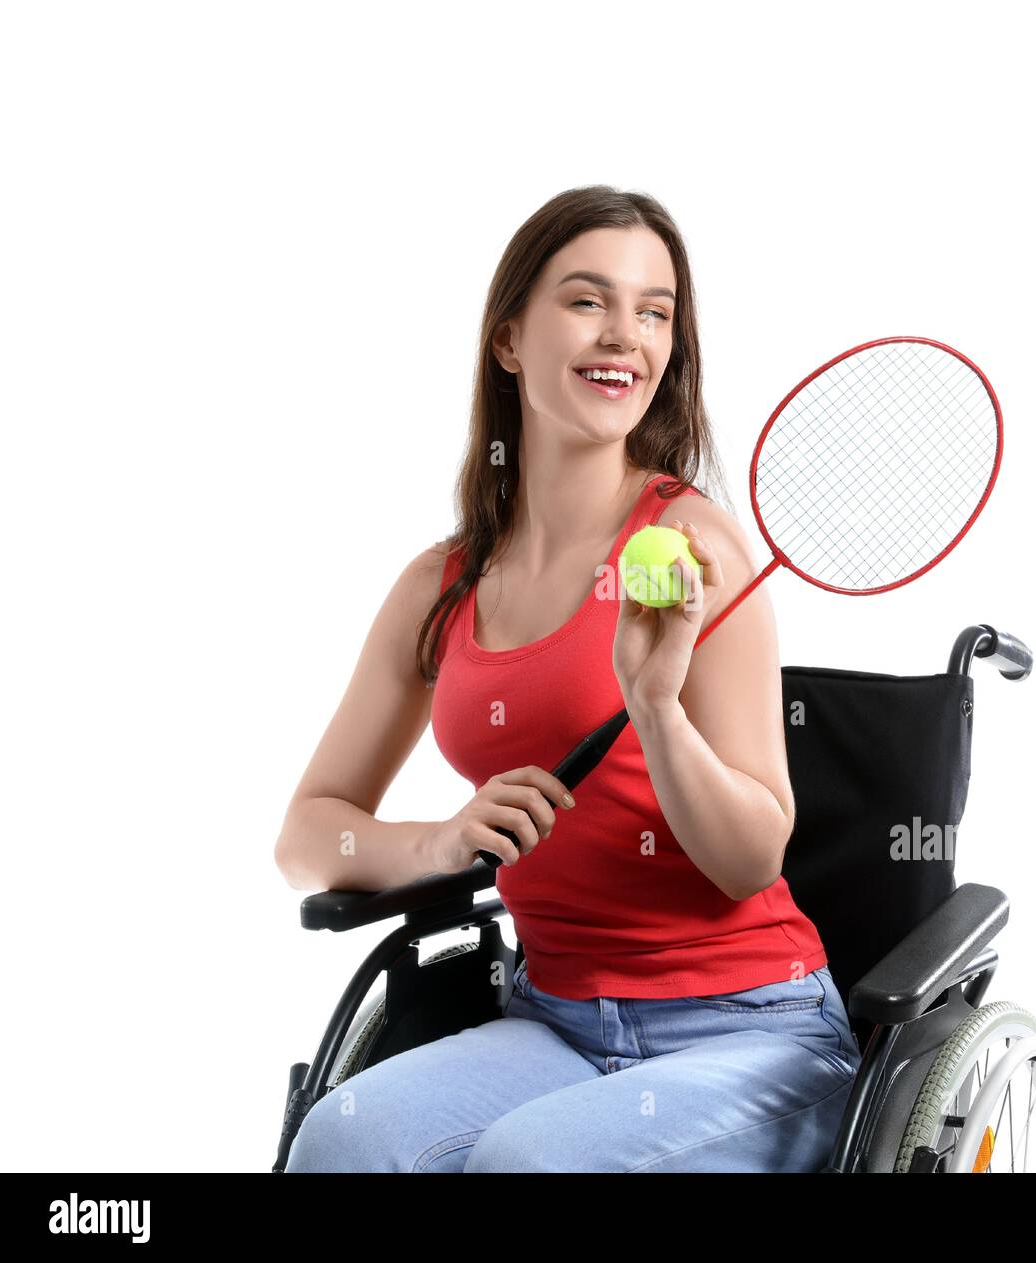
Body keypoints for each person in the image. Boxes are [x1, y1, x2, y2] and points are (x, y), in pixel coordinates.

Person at [275, 185, 862, 1172]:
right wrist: (441, 842)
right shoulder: (442, 585)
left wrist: (655, 704)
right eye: (588, 300)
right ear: (509, 339)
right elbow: (307, 838)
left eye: (655, 310)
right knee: (343, 1140)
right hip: (552, 1020)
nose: (624, 333)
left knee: (528, 1163)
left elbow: (749, 859)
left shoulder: (690, 544)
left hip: (747, 1029)